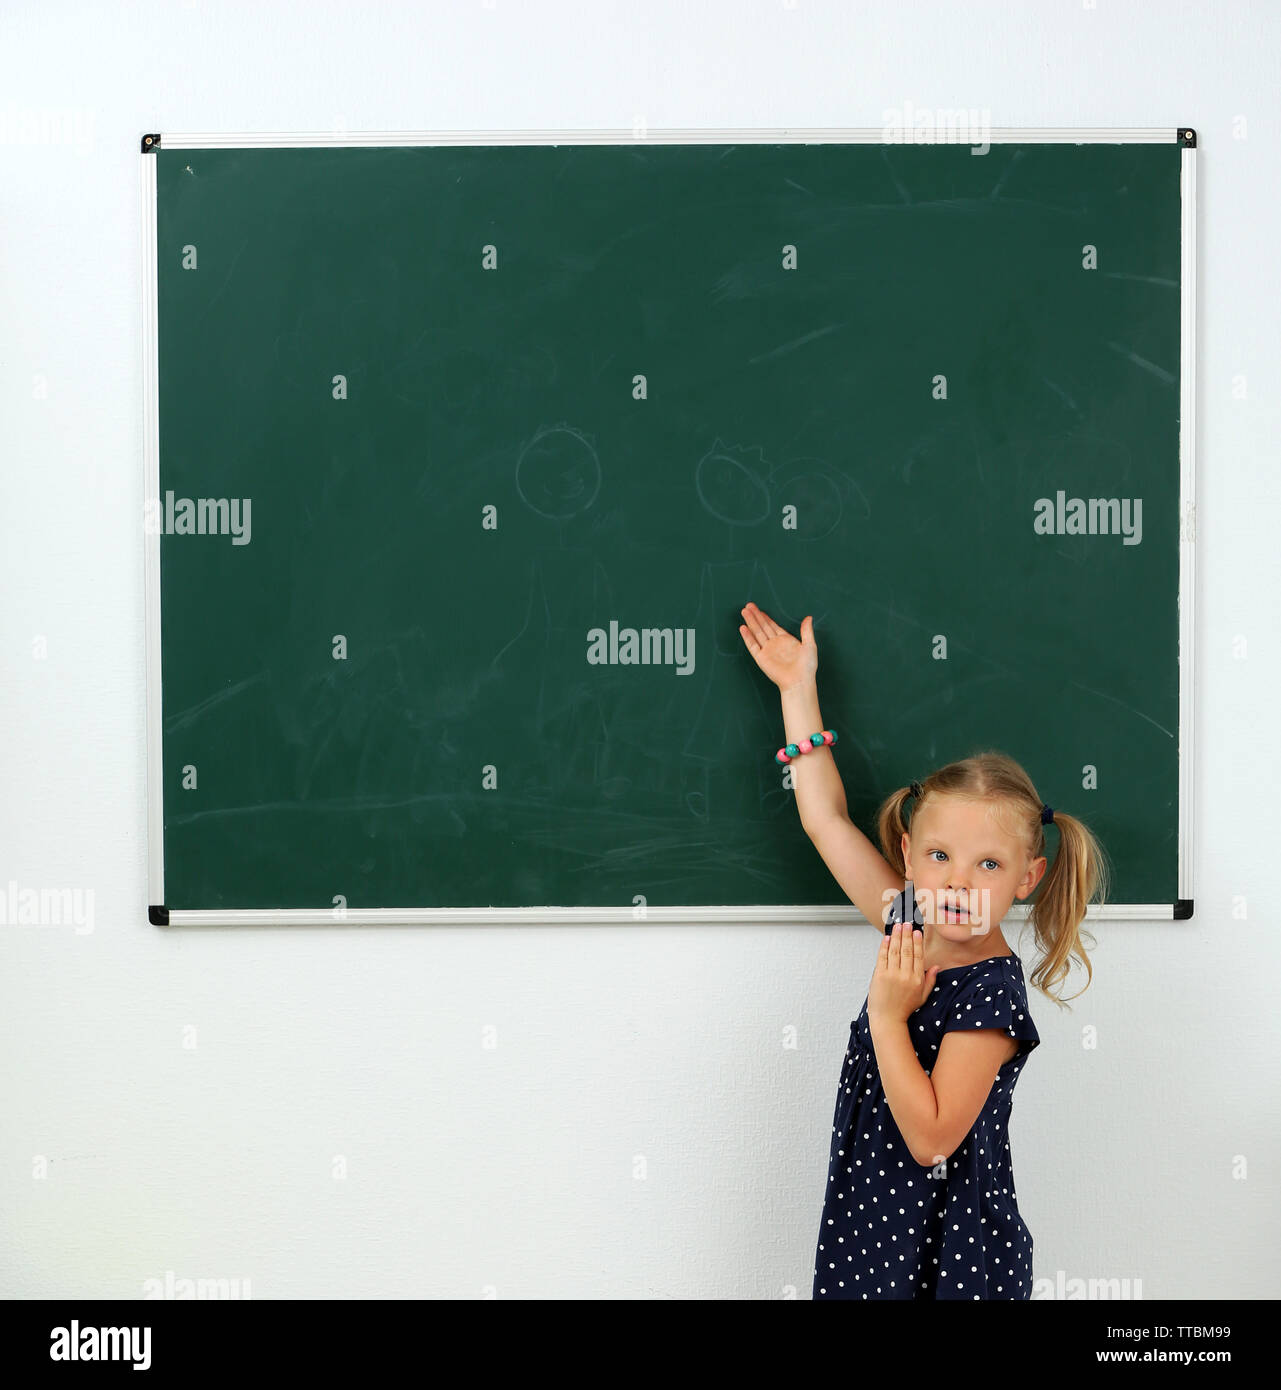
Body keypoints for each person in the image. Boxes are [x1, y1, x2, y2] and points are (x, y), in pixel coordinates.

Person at [738, 602, 1111, 1300]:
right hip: (872, 1236)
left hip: (947, 1263)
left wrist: (887, 1016)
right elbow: (824, 821)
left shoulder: (991, 992)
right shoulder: (905, 920)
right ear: (907, 856)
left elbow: (933, 1139)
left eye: (988, 866)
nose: (957, 882)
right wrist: (797, 689)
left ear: (1027, 877)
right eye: (939, 855)